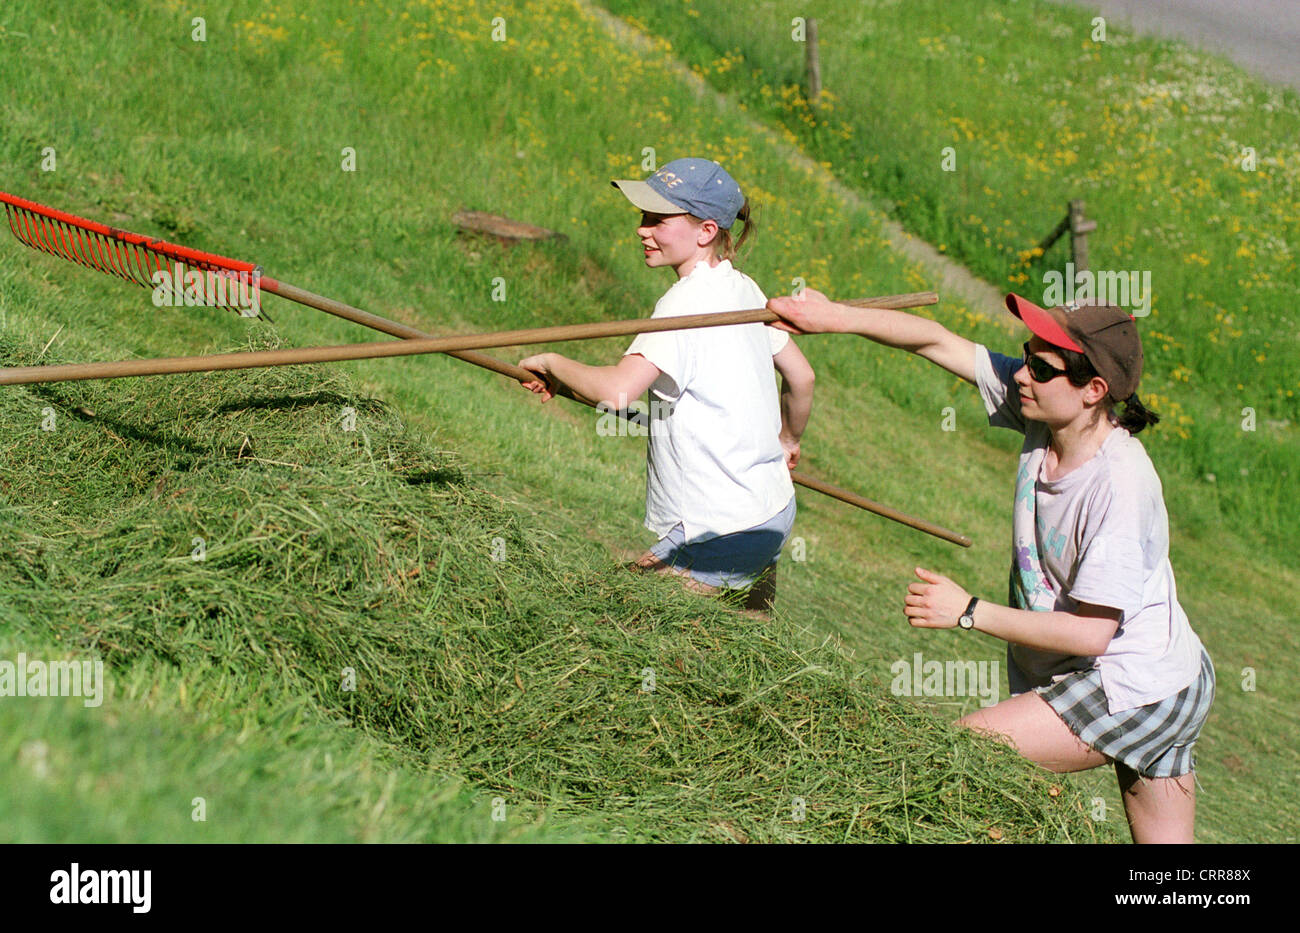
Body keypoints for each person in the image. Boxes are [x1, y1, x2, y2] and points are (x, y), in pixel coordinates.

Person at [766, 287, 1214, 843]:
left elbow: (1093, 632)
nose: (1023, 375)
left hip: (1136, 683)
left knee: (955, 757)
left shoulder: (1120, 484)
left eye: (1042, 368)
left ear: (1093, 390)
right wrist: (832, 317)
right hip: (1159, 674)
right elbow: (935, 340)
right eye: (1025, 357)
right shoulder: (1046, 411)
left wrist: (969, 611)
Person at [519, 158, 815, 615]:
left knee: (611, 623)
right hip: (771, 508)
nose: (642, 229)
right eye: (643, 217)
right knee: (740, 637)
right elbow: (802, 377)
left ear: (706, 230)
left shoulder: (684, 306)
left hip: (720, 527)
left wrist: (553, 360)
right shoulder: (742, 289)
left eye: (658, 219)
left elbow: (618, 391)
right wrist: (789, 440)